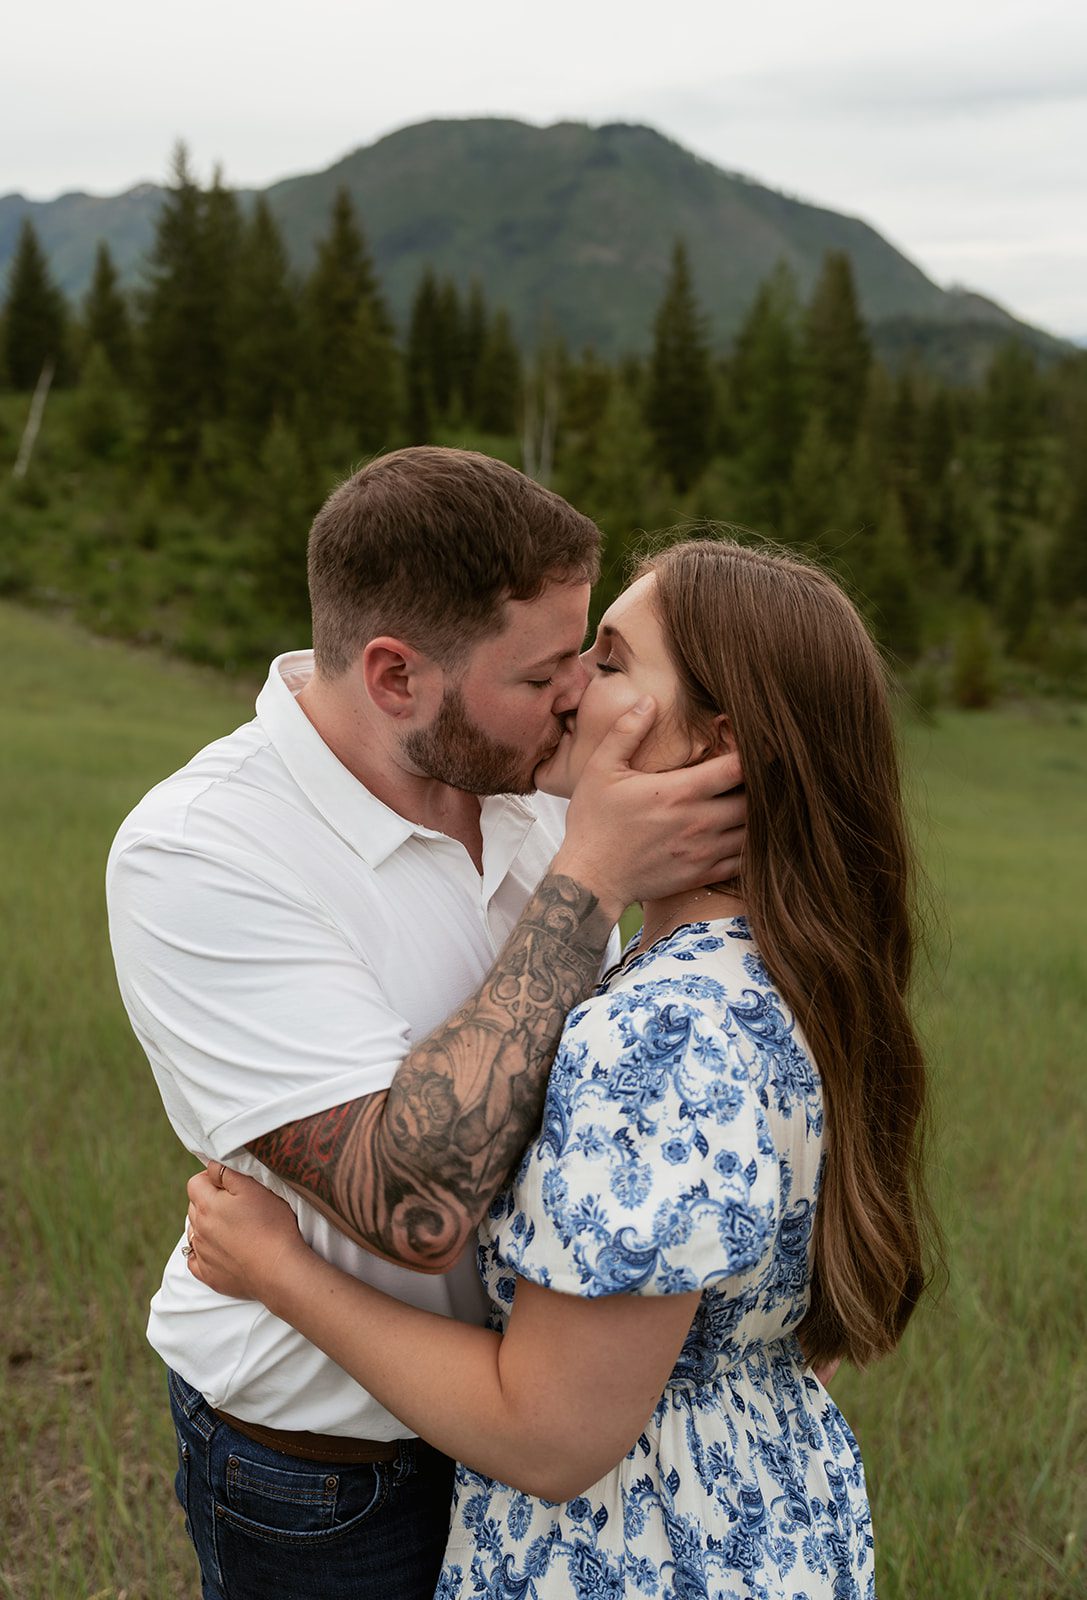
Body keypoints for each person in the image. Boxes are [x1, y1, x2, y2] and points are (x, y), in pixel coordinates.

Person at [185, 535, 935, 1600]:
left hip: (629, 1558)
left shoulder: (658, 1033)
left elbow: (546, 1437)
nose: (574, 686)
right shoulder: (804, 972)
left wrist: (277, 1269)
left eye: (616, 660)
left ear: (716, 744)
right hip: (773, 1518)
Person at [106, 449, 746, 1600]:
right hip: (326, 1481)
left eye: (587, 654)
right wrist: (592, 876)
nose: (578, 700)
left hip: (550, 1451)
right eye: (546, 670)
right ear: (396, 675)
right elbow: (415, 1203)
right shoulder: (203, 852)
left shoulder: (540, 782)